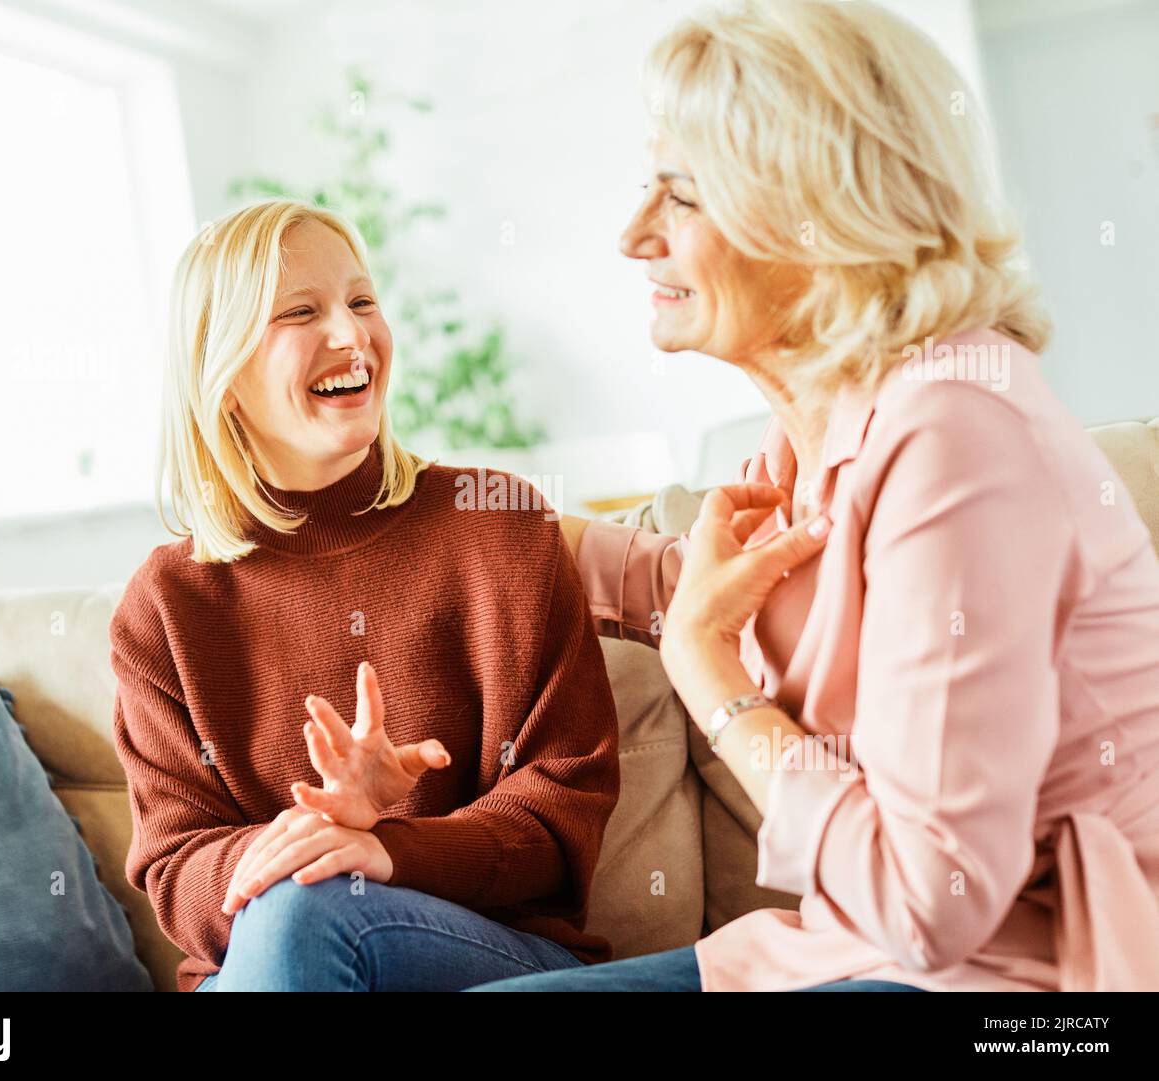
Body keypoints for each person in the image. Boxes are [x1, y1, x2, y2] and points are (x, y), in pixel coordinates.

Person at [467, 0, 1159, 991]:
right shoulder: (822, 425)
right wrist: (423, 500)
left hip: (1025, 981)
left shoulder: (954, 433)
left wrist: (709, 677)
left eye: (680, 197)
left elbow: (937, 900)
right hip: (837, 953)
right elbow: (717, 585)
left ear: (815, 212)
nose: (632, 236)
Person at [109, 198, 621, 991]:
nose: (351, 336)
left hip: (489, 960)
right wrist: (305, 836)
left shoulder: (500, 527)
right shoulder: (166, 606)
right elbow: (178, 871)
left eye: (362, 301)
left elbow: (562, 813)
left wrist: (386, 848)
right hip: (264, 965)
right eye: (301, 312)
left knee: (300, 911)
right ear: (225, 375)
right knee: (289, 914)